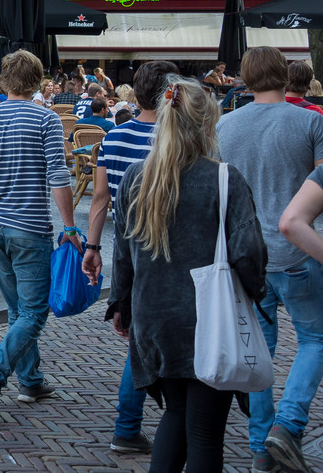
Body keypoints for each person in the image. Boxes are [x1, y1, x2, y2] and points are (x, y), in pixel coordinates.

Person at [109, 77, 267, 473]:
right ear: (207, 125)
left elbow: (123, 254)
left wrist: (121, 306)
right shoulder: (223, 178)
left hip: (154, 318)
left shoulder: (135, 178)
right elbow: (249, 252)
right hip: (209, 318)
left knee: (177, 416)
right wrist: (255, 293)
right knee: (206, 435)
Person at [216, 46, 323, 472]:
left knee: (258, 353)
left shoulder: (224, 125)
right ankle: (289, 425)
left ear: (243, 77)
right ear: (285, 75)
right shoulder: (311, 121)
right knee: (315, 340)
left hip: (247, 257)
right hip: (298, 253)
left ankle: (261, 447)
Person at [0, 49, 80, 421]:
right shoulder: (45, 119)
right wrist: (71, 226)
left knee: (17, 309)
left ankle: (31, 379)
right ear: (38, 79)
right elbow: (58, 176)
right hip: (28, 226)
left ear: (4, 80)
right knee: (35, 311)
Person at [78, 59, 178, 454]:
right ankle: (149, 420)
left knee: (138, 335)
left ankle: (128, 423)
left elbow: (100, 198)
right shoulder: (174, 140)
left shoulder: (115, 137)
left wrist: (93, 246)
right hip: (167, 243)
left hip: (126, 242)